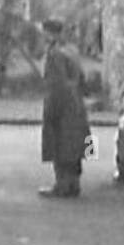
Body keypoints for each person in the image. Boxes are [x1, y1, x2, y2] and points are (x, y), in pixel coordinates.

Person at [39, 17, 90, 198]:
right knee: (76, 146)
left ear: (49, 33)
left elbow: (57, 83)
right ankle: (74, 184)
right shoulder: (72, 51)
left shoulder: (54, 54)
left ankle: (62, 185)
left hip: (62, 104)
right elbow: (84, 80)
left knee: (59, 144)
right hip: (77, 103)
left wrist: (51, 109)